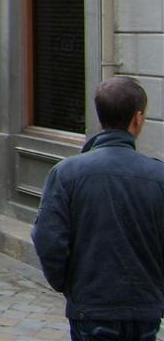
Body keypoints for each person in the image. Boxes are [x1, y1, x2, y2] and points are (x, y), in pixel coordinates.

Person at [31, 76, 163, 341]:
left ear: (101, 117)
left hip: (91, 307)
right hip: (144, 308)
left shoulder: (66, 173)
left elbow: (48, 240)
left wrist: (69, 285)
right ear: (137, 119)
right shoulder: (158, 175)